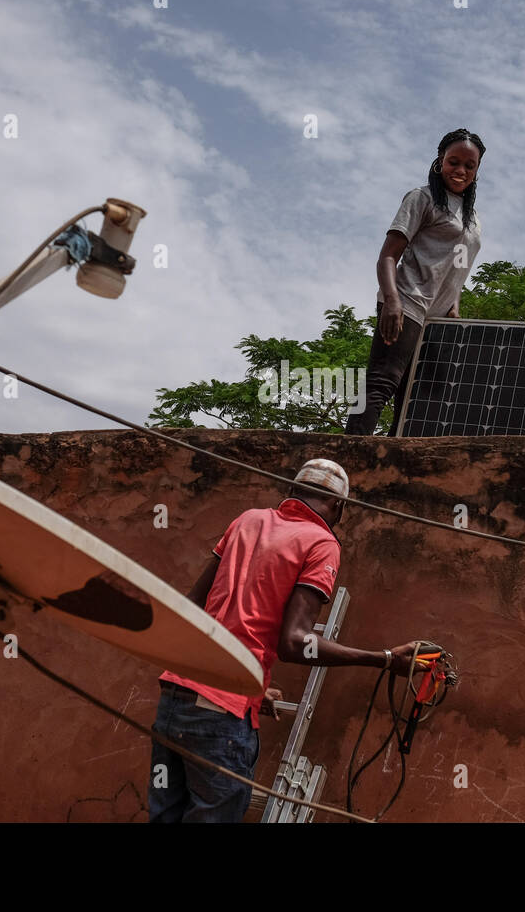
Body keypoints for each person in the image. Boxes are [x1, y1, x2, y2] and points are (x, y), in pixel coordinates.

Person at [147, 458, 420, 822]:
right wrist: (384, 659)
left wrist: (253, 691)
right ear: (339, 506)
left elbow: (192, 608)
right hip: (221, 712)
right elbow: (295, 642)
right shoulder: (322, 542)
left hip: (176, 696)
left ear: (291, 491)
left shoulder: (247, 520)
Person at [345, 128, 486, 436]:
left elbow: (459, 264)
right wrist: (392, 301)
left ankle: (391, 470)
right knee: (382, 381)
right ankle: (348, 454)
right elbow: (387, 256)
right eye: (454, 161)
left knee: (417, 399)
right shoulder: (422, 198)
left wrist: (454, 305)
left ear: (476, 171)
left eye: (469, 165)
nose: (460, 170)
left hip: (436, 318)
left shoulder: (472, 219)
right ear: (440, 161)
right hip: (407, 300)